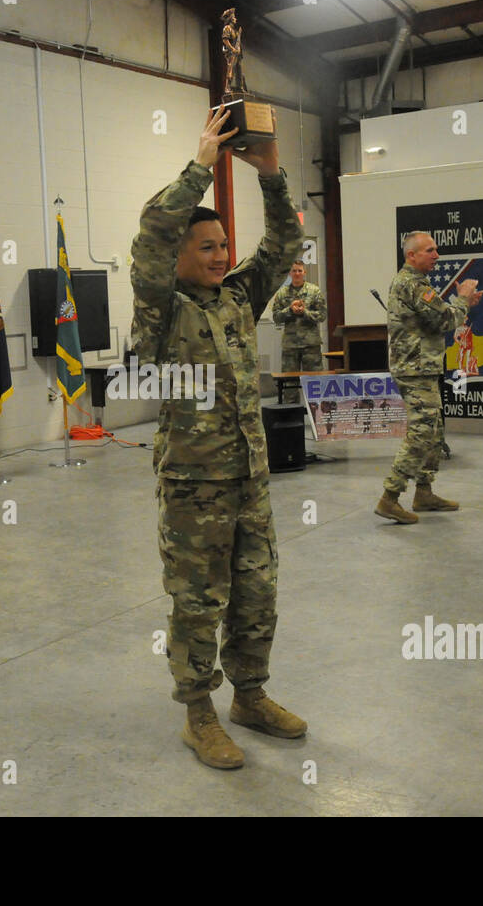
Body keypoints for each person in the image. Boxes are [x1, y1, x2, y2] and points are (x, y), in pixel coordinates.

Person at [130, 106, 305, 770]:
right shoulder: (160, 307)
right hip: (194, 488)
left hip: (250, 481)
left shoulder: (236, 297)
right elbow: (150, 236)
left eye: (224, 247)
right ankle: (198, 714)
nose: (221, 255)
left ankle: (250, 695)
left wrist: (270, 176)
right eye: (206, 247)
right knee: (198, 604)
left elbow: (283, 248)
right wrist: (200, 167)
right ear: (179, 255)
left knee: (257, 595)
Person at [375, 230, 481, 525]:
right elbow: (446, 320)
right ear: (412, 255)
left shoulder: (418, 283)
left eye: (436, 250)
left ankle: (424, 492)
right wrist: (462, 299)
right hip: (415, 368)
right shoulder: (412, 284)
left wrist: (464, 304)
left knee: (433, 430)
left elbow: (439, 317)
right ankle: (390, 497)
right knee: (422, 431)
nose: (437, 255)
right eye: (430, 251)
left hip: (423, 366)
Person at [271, 259, 327, 403]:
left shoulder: (314, 291)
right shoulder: (282, 293)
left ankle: (318, 416)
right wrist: (289, 310)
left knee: (315, 382)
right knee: (289, 385)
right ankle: (291, 419)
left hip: (311, 344)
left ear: (304, 272)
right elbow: (276, 317)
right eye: (294, 271)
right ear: (290, 273)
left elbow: (322, 315)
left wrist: (304, 313)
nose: (297, 274)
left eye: (299, 271)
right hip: (291, 345)